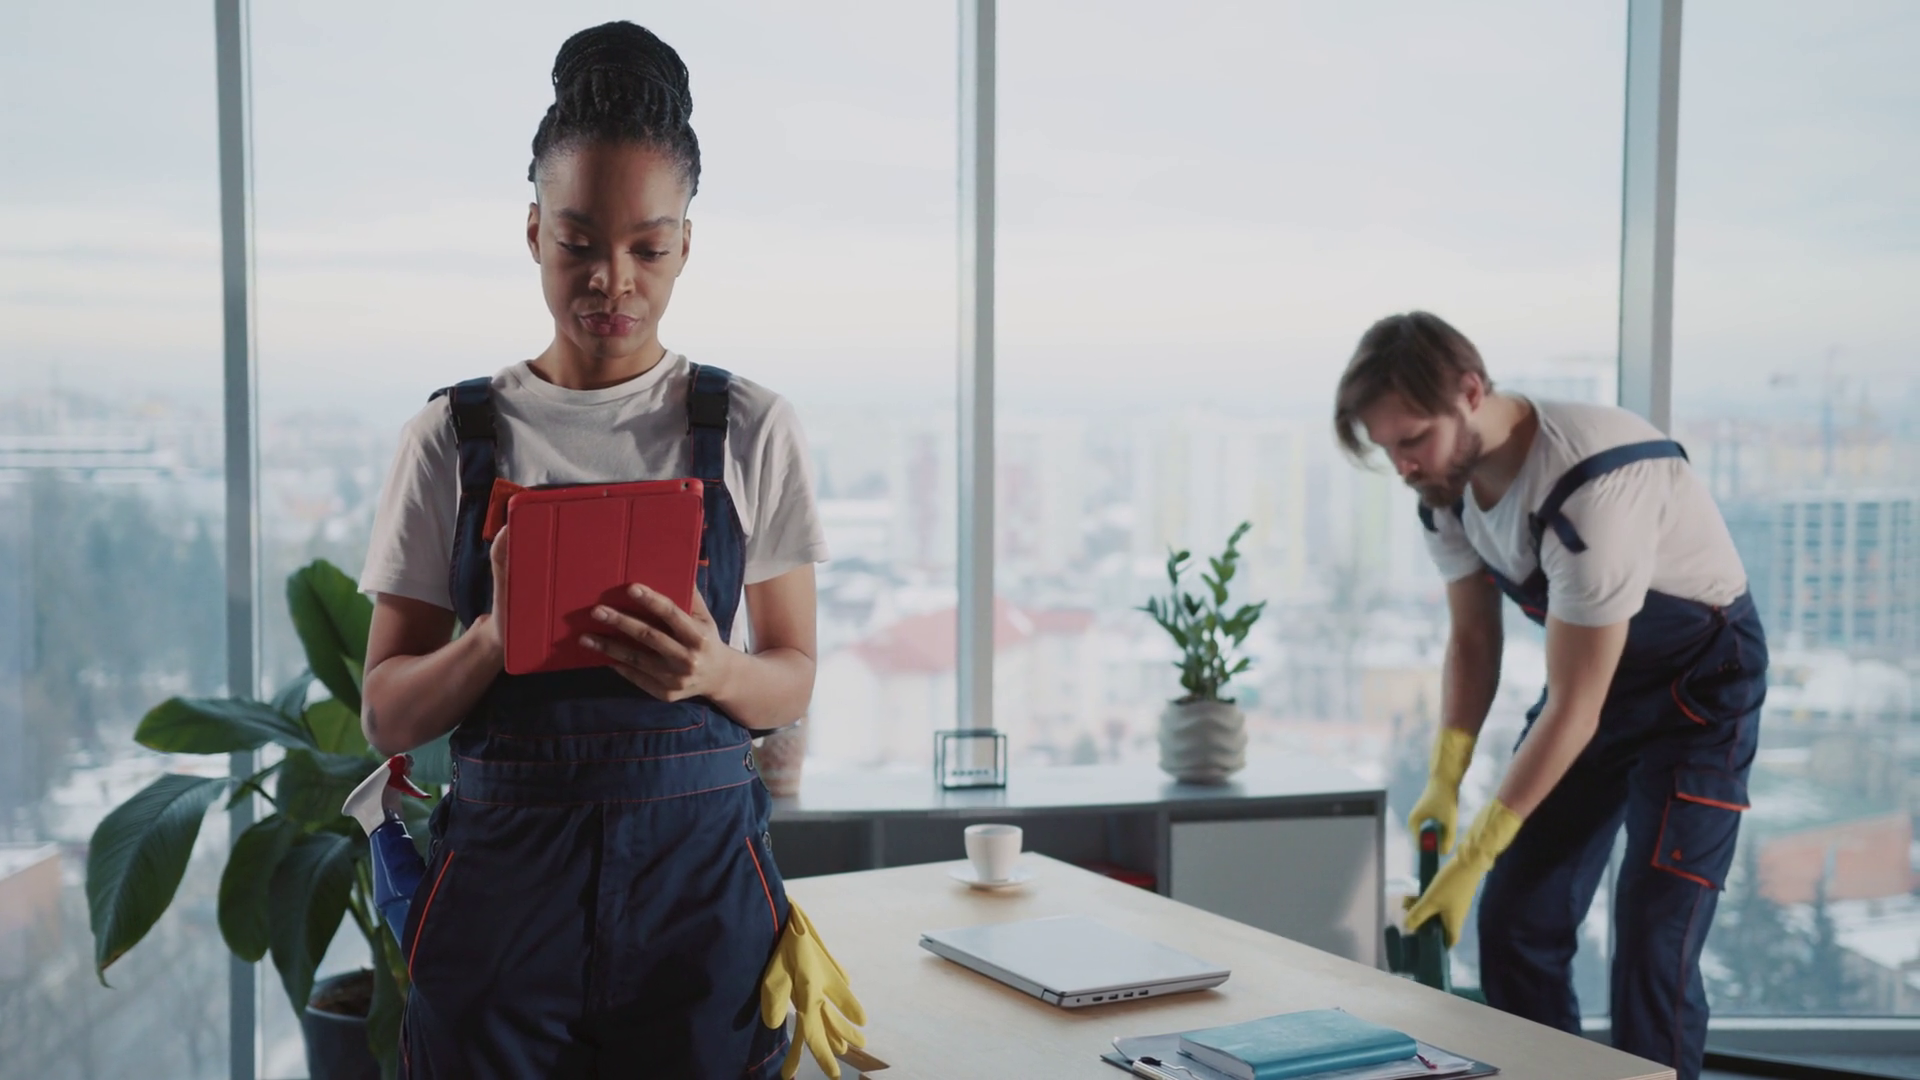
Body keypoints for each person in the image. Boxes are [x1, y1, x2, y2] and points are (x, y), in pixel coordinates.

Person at [356, 21, 863, 1079]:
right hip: (501, 904)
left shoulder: (752, 427)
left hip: (702, 905)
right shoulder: (452, 438)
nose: (612, 282)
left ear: (687, 244)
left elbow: (792, 675)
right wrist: (495, 637)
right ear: (533, 230)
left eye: (649, 247)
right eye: (579, 242)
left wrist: (713, 671)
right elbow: (388, 712)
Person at [1334, 312, 1764, 1080]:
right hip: (1594, 688)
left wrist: (1478, 846)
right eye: (1386, 447)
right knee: (1516, 919)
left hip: (1700, 696)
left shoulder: (1594, 486)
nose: (1400, 465)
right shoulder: (1444, 488)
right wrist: (1446, 774)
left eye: (1411, 439)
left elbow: (1573, 706)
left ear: (1471, 391)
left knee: (1653, 940)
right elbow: (1473, 641)